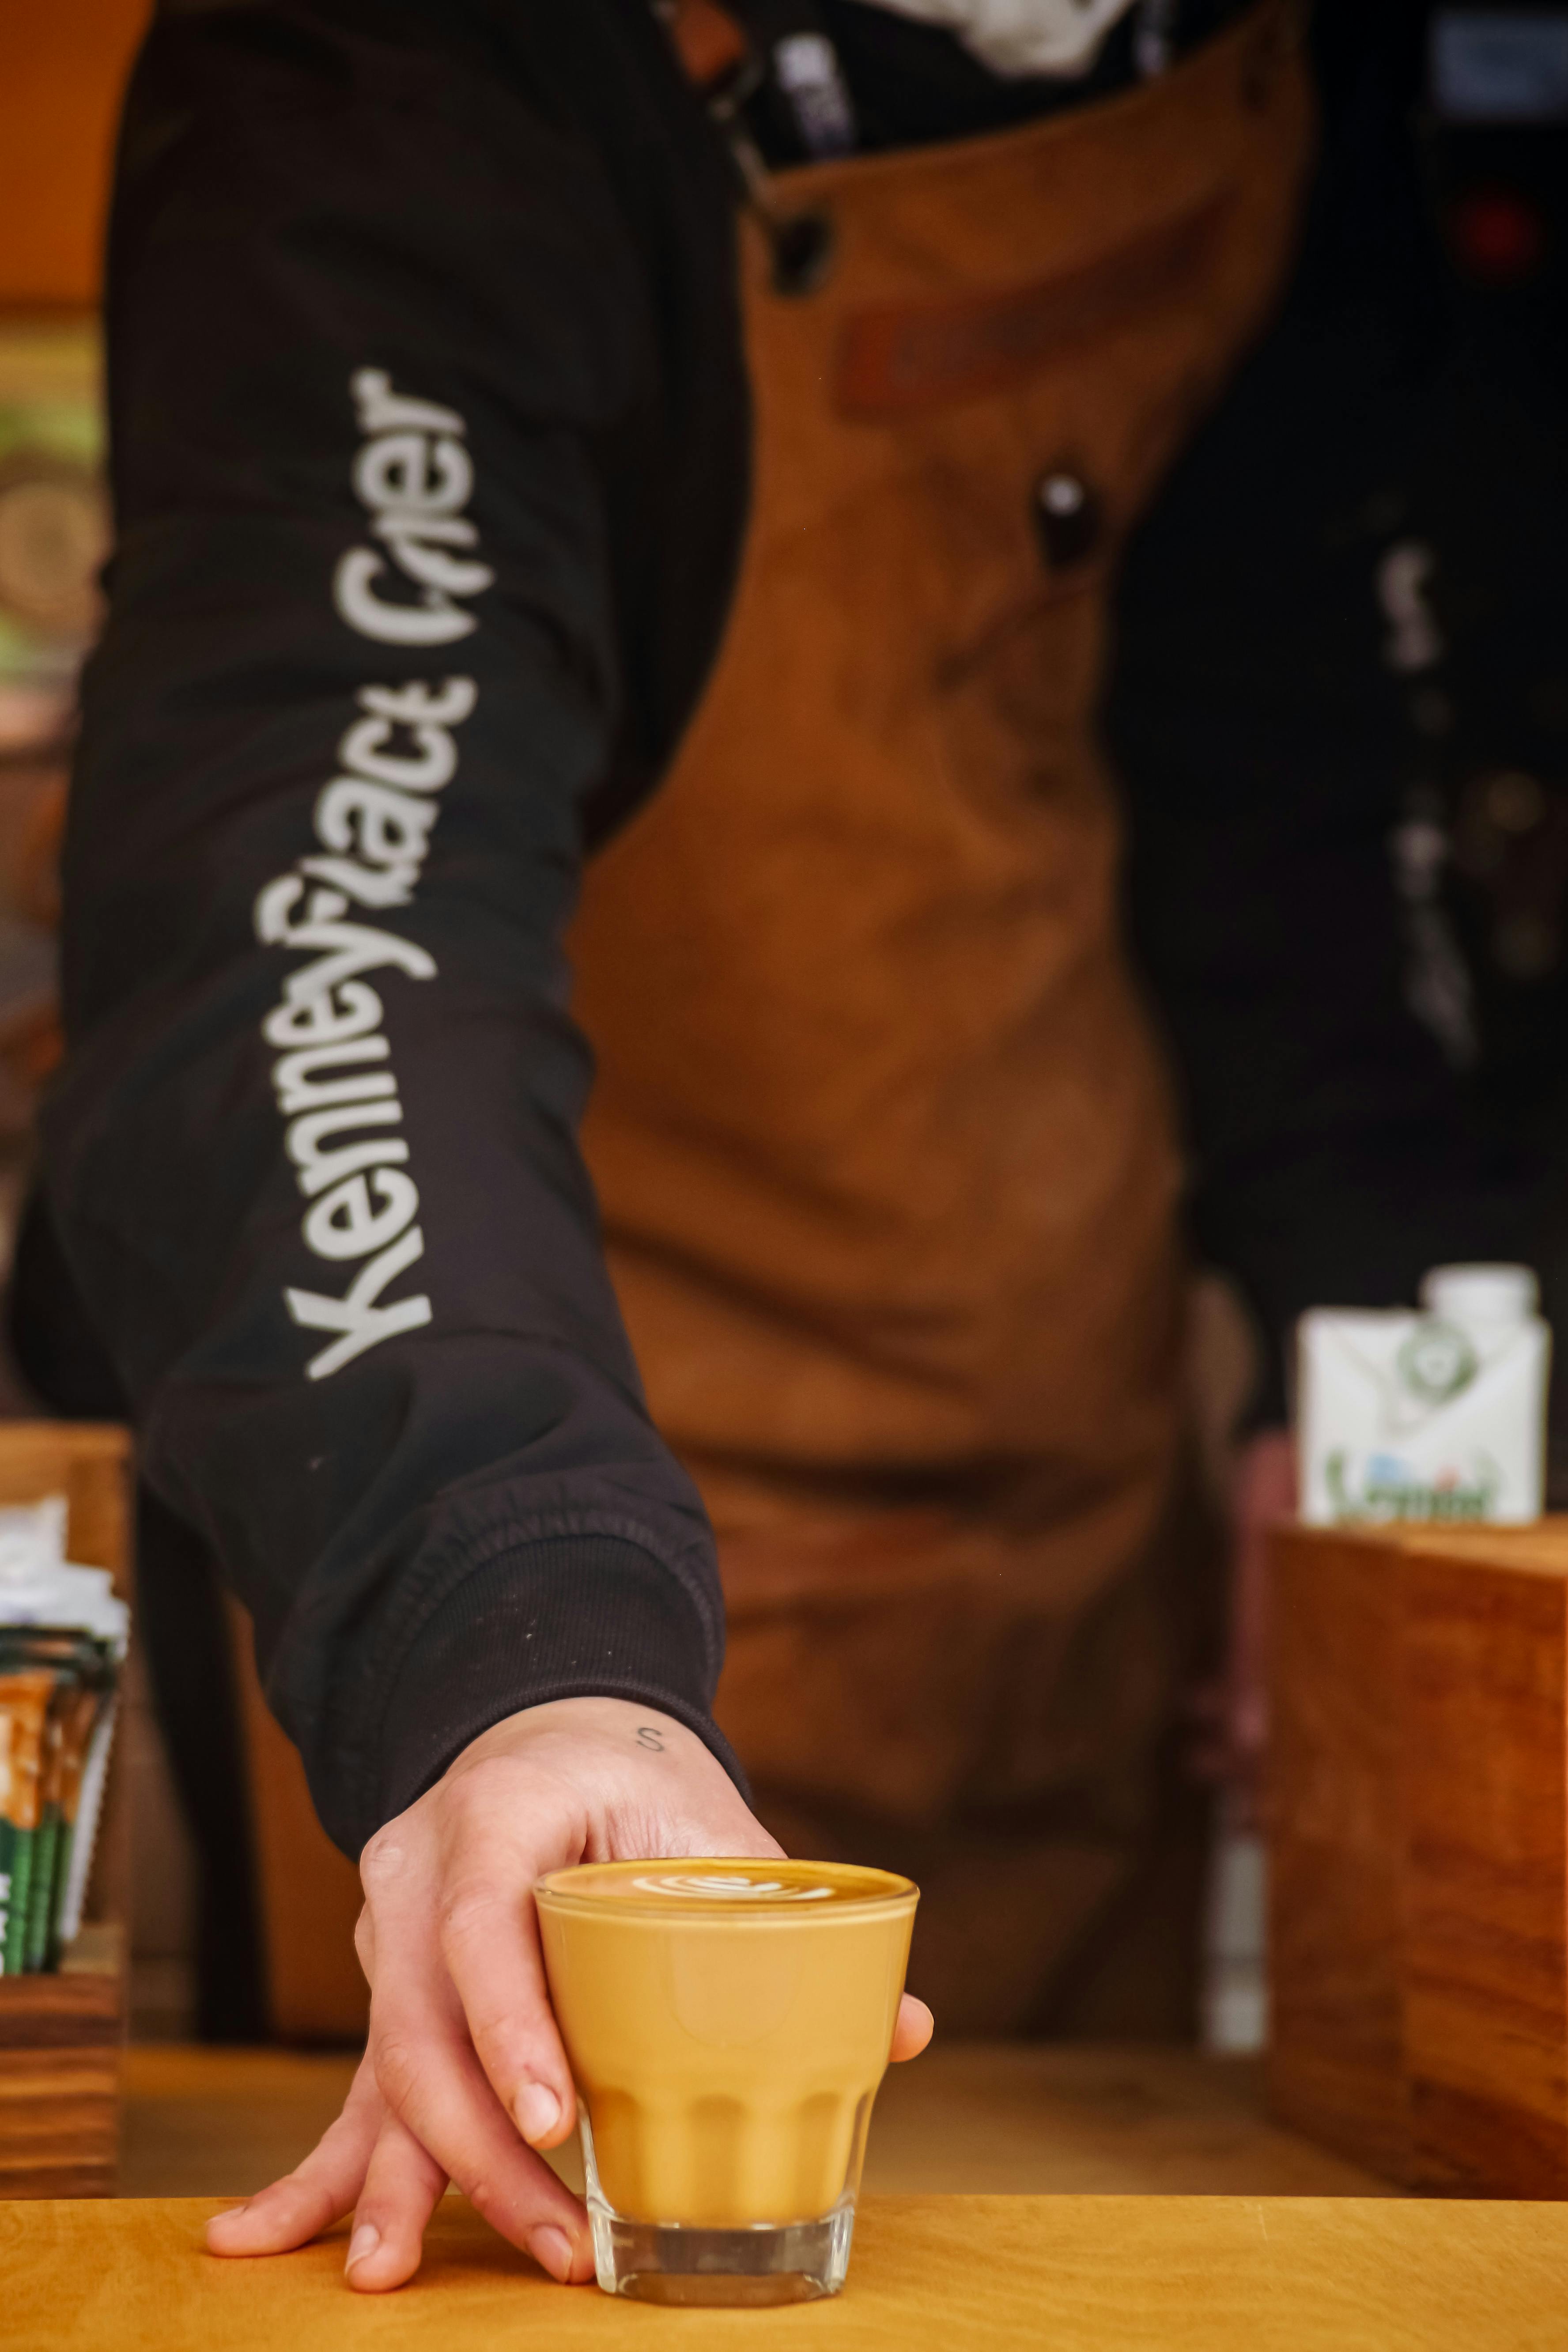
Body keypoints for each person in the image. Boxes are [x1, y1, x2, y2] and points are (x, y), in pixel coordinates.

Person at [12, 0, 1544, 2295]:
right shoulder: (405, 77)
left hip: (1063, 1555)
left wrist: (1376, 1322)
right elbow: (331, 890)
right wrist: (510, 1634)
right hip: (497, 1599)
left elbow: (1292, 732)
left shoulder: (1293, 70)